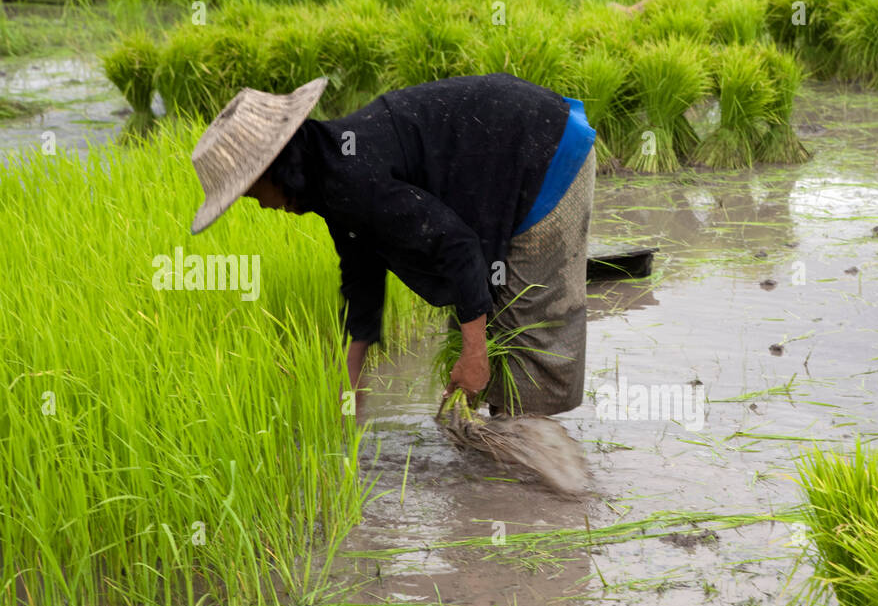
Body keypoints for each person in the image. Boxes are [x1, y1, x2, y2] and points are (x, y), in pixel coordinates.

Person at [188, 73, 597, 416]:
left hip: (544, 152)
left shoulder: (353, 178)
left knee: (527, 328)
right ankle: (501, 462)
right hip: (504, 159)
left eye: (252, 191)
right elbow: (361, 276)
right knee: (483, 326)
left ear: (276, 168)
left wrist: (475, 357)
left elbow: (458, 247)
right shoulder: (333, 177)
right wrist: (353, 377)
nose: (259, 204)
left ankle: (547, 488)